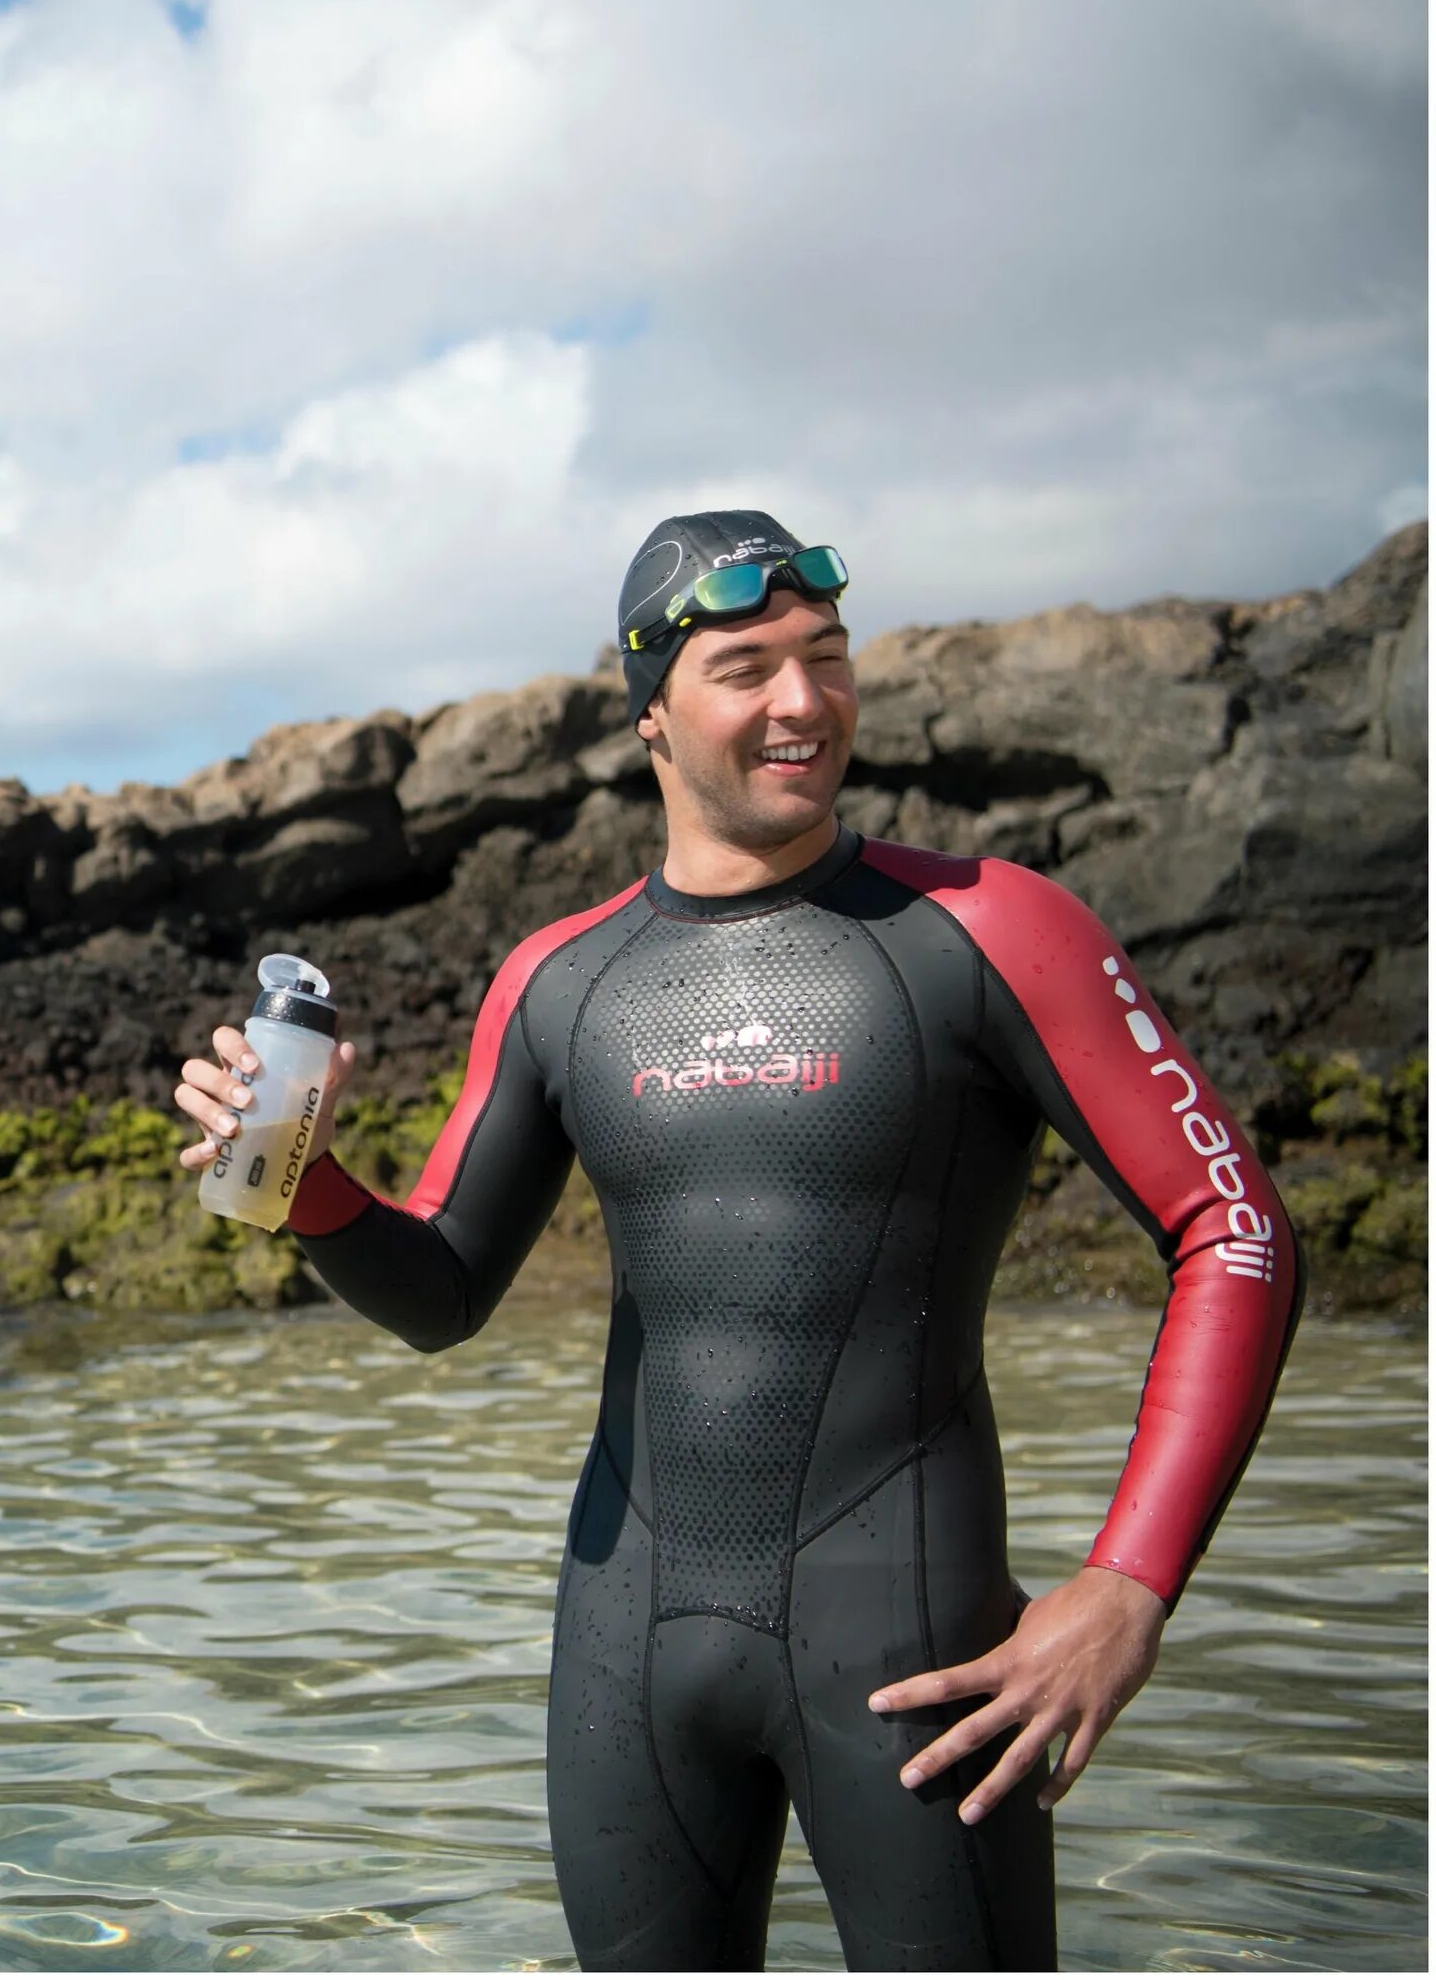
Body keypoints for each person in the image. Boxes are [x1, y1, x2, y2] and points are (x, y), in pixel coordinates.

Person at [172, 509, 1301, 1969]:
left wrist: (1126, 1588)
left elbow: (1235, 1230)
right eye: (747, 665)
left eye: (826, 660)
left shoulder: (991, 928)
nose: (803, 702)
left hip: (915, 1654)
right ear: (650, 711)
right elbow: (442, 1286)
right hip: (627, 1652)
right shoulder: (562, 982)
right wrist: (299, 1180)